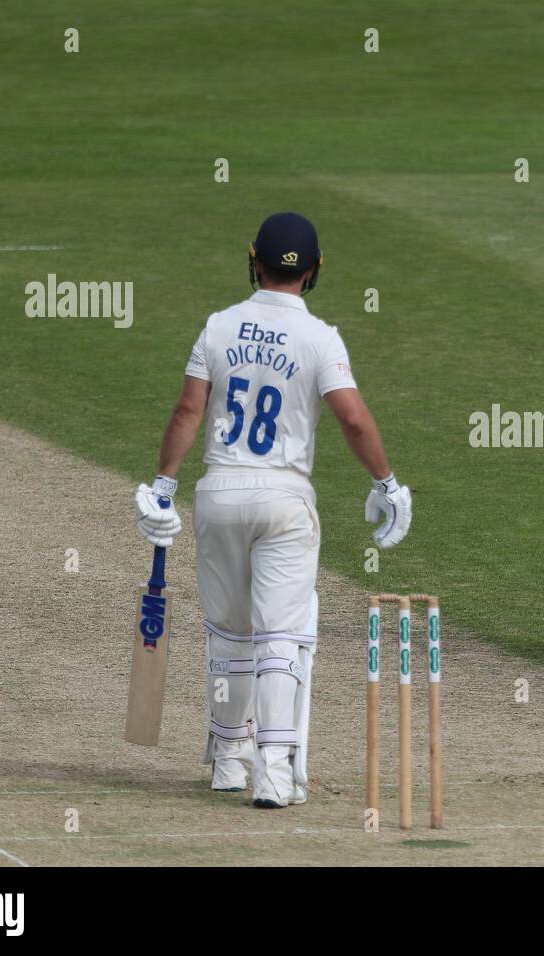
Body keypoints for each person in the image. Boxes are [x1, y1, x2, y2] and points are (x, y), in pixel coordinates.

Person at [134, 211, 411, 807]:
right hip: (283, 498)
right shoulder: (320, 337)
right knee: (280, 640)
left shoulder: (218, 326)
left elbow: (188, 412)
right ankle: (275, 774)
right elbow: (354, 418)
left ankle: (229, 760)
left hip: (219, 494)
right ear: (312, 272)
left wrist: (163, 483)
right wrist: (387, 484)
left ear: (253, 260)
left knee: (229, 637)